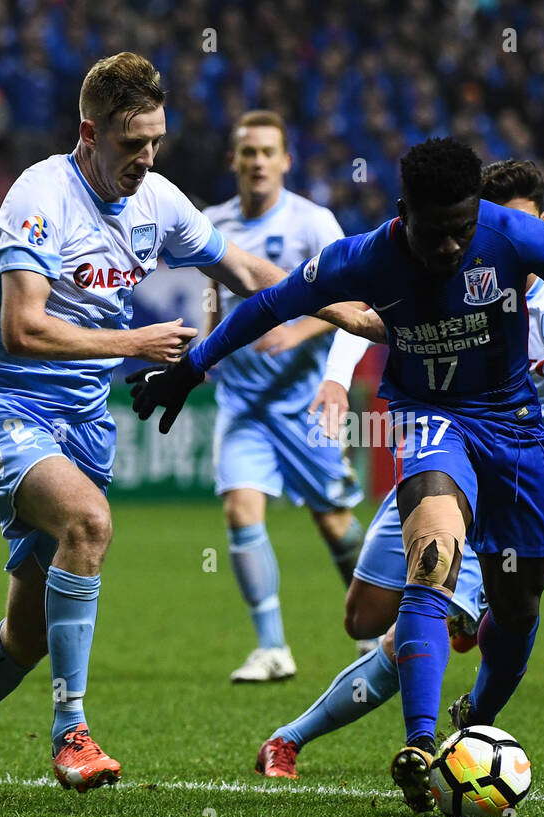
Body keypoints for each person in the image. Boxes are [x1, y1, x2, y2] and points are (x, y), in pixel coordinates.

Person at [132, 138, 544, 813]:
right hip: (429, 420)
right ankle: (421, 745)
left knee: (518, 612)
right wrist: (193, 366)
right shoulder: (367, 256)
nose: (451, 247)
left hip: (515, 435)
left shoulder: (515, 237)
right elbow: (272, 303)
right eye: (437, 232)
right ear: (405, 212)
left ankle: (476, 715)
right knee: (432, 558)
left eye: (464, 229)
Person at [0, 52, 372, 798]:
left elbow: (249, 274)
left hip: (83, 422)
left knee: (26, 635)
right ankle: (72, 735)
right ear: (89, 134)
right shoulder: (40, 196)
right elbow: (24, 328)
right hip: (0, 405)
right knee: (89, 524)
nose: (146, 158)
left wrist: (342, 310)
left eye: (156, 141)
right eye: (132, 144)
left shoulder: (159, 199)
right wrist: (135, 342)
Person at [254, 159, 544, 778]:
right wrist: (334, 377)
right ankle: (461, 631)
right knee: (361, 614)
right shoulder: (449, 282)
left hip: (511, 491)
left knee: (418, 610)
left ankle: (297, 739)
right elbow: (378, 317)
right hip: (440, 453)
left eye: (525, 227)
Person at [202, 110, 364, 683]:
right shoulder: (212, 222)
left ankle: (373, 631)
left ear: (286, 161)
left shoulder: (313, 222)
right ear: (234, 161)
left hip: (304, 406)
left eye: (268, 151)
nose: (258, 162)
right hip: (242, 403)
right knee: (239, 508)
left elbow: (357, 302)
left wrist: (299, 329)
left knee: (335, 522)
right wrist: (203, 352)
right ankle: (272, 648)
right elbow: (212, 301)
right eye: (248, 152)